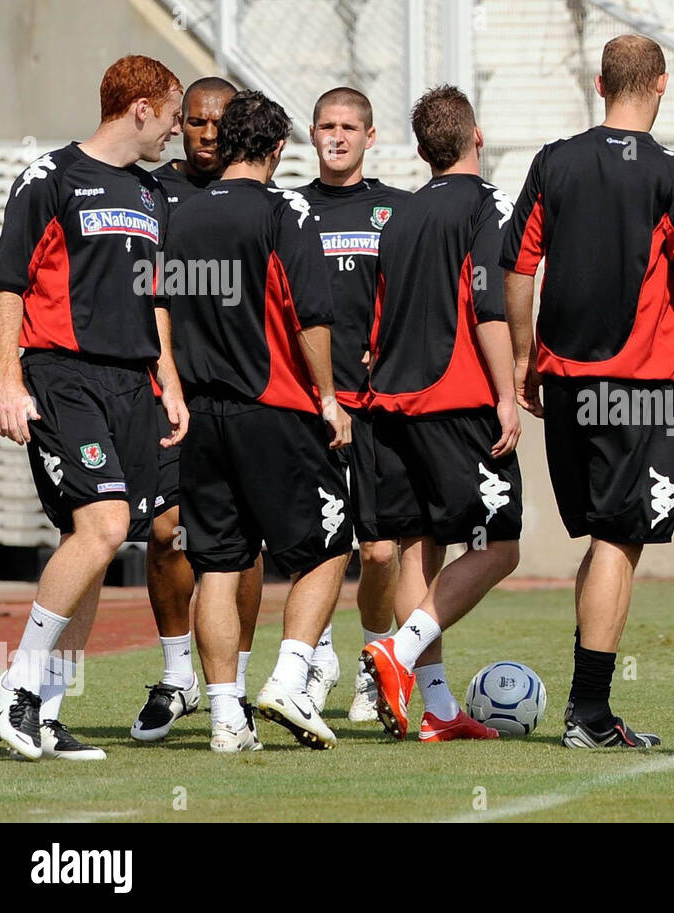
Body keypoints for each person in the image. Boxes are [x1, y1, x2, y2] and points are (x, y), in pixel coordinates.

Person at [500, 35, 674, 748]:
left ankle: (586, 708)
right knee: (619, 539)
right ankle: (590, 715)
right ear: (661, 84)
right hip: (636, 387)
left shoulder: (553, 160)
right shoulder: (671, 173)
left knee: (603, 539)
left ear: (600, 83)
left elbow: (516, 266)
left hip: (565, 382)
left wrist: (521, 357)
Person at [0, 55, 185, 760]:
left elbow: (153, 292)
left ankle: (45, 709)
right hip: (62, 373)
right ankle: (16, 682)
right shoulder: (51, 177)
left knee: (101, 546)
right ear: (140, 107)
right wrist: (7, 381)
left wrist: (169, 379)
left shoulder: (154, 193)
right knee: (100, 526)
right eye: (171, 111)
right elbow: (7, 283)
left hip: (133, 384)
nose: (176, 128)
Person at [166, 89, 353, 752]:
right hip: (272, 407)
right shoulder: (285, 210)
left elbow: (159, 307)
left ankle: (224, 719)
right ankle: (290, 675)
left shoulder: (182, 215)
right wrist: (329, 397)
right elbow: (311, 316)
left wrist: (172, 386)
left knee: (219, 563)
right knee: (329, 547)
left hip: (200, 413)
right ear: (276, 148)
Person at [360, 85, 522, 742]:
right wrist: (507, 393)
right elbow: (487, 303)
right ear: (475, 136)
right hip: (454, 403)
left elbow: (378, 321)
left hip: (389, 406)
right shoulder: (486, 205)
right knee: (500, 545)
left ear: (424, 149)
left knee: (421, 550)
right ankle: (396, 653)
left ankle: (437, 708)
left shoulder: (397, 216)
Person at [295, 86, 446, 723]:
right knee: (318, 547)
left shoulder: (400, 210)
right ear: (311, 134)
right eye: (326, 125)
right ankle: (309, 663)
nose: (337, 136)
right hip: (307, 404)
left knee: (382, 551)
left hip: (378, 406)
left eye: (349, 126)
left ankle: (375, 658)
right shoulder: (288, 209)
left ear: (370, 136)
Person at [131, 75, 267, 745]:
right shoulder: (151, 192)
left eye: (221, 122)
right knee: (165, 532)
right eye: (196, 121)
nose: (209, 133)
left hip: (244, 392)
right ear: (179, 123)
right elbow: (141, 282)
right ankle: (177, 672)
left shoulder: (261, 196)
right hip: (167, 390)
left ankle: (232, 687)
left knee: (244, 542)